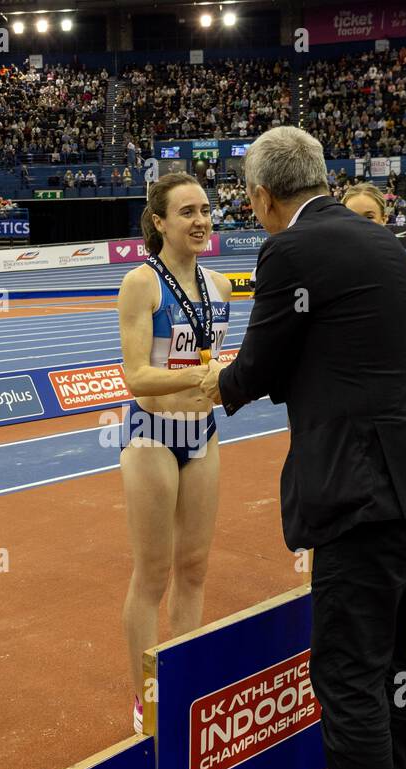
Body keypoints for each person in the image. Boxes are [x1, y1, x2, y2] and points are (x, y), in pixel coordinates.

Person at [200, 127, 406, 769]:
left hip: (365, 492)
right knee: (391, 657)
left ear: (261, 196)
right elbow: (332, 357)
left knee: (348, 673)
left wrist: (208, 386)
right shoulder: (382, 241)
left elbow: (258, 367)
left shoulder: (288, 249)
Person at [116, 171, 232, 735]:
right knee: (154, 573)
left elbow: (214, 362)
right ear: (159, 222)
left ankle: (182, 681)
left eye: (205, 209)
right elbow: (135, 376)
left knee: (195, 566)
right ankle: (147, 695)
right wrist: (203, 375)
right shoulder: (143, 284)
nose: (201, 220)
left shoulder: (221, 285)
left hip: (203, 434)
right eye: (187, 211)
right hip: (151, 438)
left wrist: (217, 378)